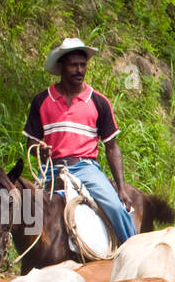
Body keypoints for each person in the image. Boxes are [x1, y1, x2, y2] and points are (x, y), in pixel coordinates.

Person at [24, 38, 136, 243]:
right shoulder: (41, 101)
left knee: (115, 207)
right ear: (61, 66)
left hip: (86, 168)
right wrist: (40, 150)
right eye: (73, 65)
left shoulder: (98, 102)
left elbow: (111, 147)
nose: (79, 70)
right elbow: (31, 144)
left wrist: (120, 188)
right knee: (24, 212)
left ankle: (132, 250)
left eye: (82, 65)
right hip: (50, 169)